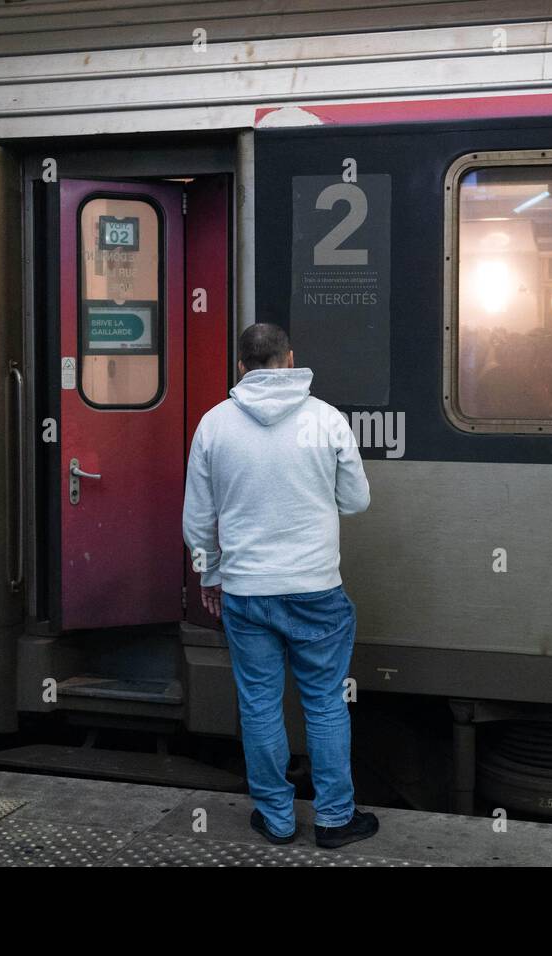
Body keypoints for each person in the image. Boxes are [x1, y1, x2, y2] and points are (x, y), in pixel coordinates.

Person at [181, 323, 378, 849]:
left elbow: (198, 520)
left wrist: (211, 573)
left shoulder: (214, 425)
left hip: (246, 591)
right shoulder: (326, 419)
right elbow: (357, 501)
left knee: (260, 703)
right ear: (289, 359)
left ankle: (277, 818)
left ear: (241, 365)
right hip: (316, 589)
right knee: (325, 703)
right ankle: (335, 819)